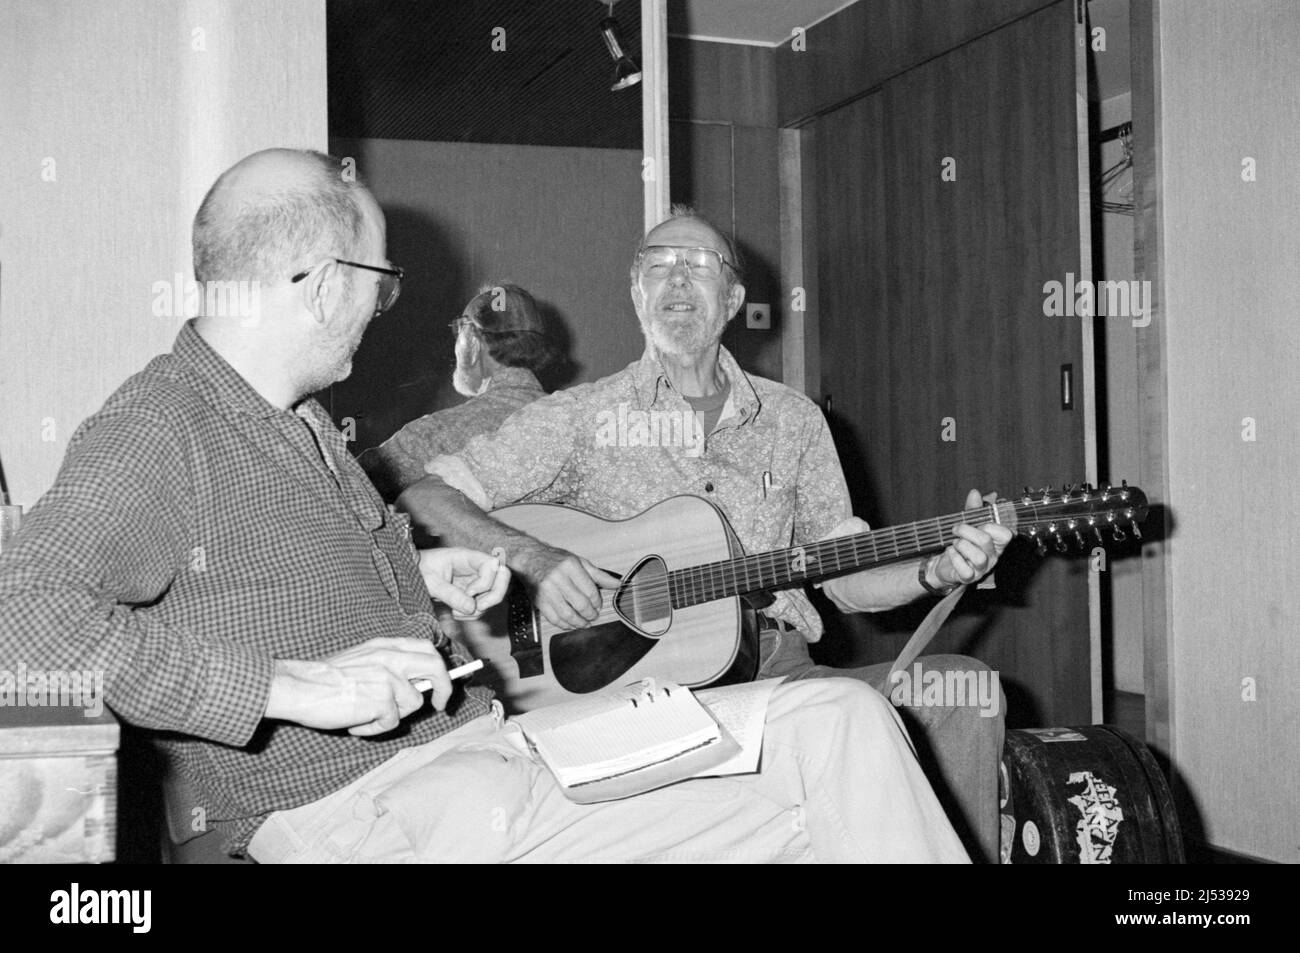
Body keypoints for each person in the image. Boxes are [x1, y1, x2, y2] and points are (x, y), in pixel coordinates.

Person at [0, 151, 967, 863]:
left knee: (839, 722)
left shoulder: (296, 427)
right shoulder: (163, 426)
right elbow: (25, 622)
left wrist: (415, 571)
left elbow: (264, 575)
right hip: (390, 806)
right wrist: (289, 688)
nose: (384, 312)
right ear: (325, 283)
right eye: (380, 286)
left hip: (490, 746)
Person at [398, 206, 1015, 862]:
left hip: (781, 668)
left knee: (964, 693)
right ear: (636, 294)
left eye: (698, 266)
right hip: (637, 693)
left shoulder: (794, 420)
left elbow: (846, 577)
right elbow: (425, 492)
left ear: (735, 299)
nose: (677, 282)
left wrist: (938, 571)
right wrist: (537, 558)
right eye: (657, 267)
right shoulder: (578, 417)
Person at [359, 283, 555, 500]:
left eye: (459, 329)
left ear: (471, 338)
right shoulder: (572, 418)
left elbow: (348, 486)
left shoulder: (433, 436)